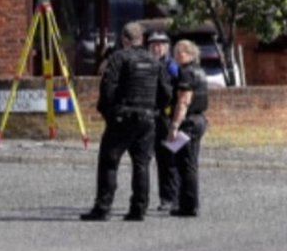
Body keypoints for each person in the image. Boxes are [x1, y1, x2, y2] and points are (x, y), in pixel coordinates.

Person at [81, 22, 172, 222]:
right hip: (147, 118)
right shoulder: (155, 61)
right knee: (142, 164)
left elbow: (107, 89)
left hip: (123, 116)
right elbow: (166, 93)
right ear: (143, 40)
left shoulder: (119, 58)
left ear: (124, 39)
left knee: (109, 161)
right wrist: (154, 110)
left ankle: (103, 207)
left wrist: (109, 113)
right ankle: (138, 209)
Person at [169, 39, 209, 217]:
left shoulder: (186, 73)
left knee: (187, 164)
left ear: (191, 54)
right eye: (176, 51)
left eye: (182, 52)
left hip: (189, 123)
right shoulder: (199, 71)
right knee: (182, 160)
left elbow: (183, 101)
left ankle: (189, 205)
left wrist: (174, 125)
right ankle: (184, 202)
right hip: (199, 119)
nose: (178, 54)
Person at [146, 30, 180, 211]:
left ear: (167, 47)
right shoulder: (148, 64)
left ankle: (172, 197)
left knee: (169, 158)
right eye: (153, 45)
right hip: (152, 118)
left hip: (167, 118)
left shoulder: (172, 67)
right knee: (157, 159)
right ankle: (166, 197)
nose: (156, 48)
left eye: (160, 45)